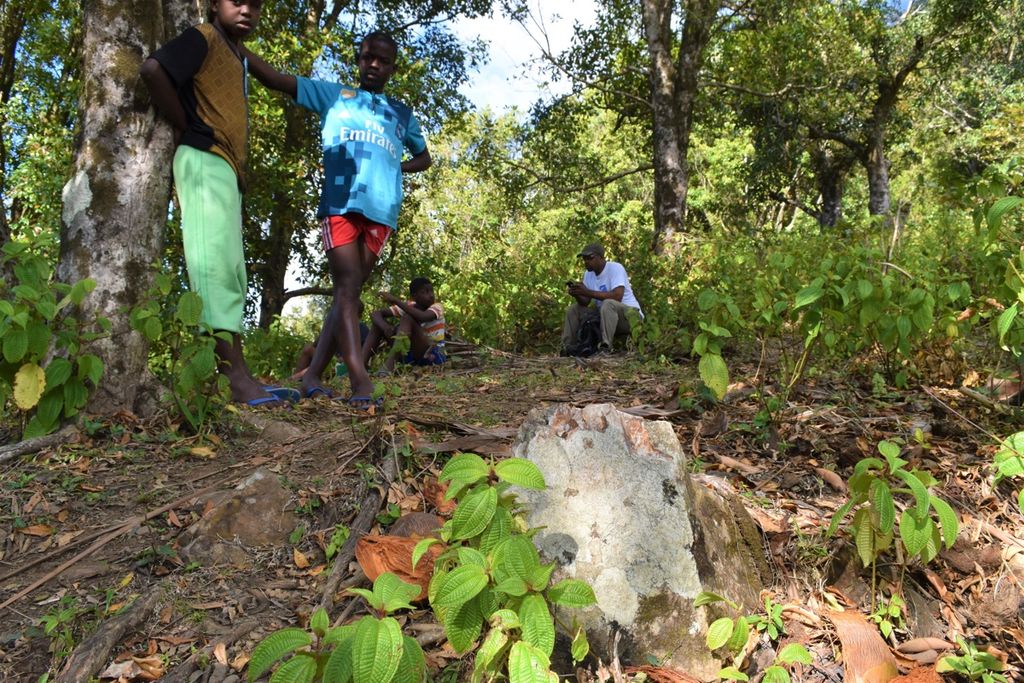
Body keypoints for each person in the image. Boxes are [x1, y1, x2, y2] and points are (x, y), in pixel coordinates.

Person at [243, 32, 431, 408]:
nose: (374, 65)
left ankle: (312, 375)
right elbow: (279, 79)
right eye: (367, 58)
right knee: (347, 287)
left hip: (383, 210)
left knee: (349, 293)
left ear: (393, 67)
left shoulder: (401, 114)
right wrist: (236, 45)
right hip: (341, 202)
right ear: (358, 60)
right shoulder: (335, 96)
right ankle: (359, 379)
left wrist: (396, 166)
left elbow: (424, 158)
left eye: (383, 60)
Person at [139, 0, 292, 408]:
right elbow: (153, 70)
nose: (248, 10)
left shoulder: (235, 52)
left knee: (231, 269)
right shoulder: (203, 37)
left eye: (256, 5)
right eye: (237, 1)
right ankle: (233, 380)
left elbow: (276, 78)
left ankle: (238, 374)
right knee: (214, 269)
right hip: (205, 160)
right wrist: (188, 126)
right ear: (213, 5)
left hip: (225, 169)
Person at [562, 243, 643, 355]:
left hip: (631, 318)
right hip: (606, 317)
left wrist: (587, 292)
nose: (586, 261)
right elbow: (586, 302)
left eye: (590, 258)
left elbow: (617, 296)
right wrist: (578, 294)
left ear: (601, 257)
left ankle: (605, 348)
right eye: (584, 259)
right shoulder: (588, 274)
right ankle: (568, 348)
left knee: (608, 303)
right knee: (574, 309)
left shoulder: (615, 268)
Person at [362, 277, 446, 373]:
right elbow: (375, 314)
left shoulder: (437, 307)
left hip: (433, 355)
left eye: (431, 291)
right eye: (425, 292)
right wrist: (385, 328)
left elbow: (423, 317)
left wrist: (396, 300)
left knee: (407, 318)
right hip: (411, 355)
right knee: (378, 325)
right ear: (414, 296)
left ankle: (389, 365)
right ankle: (360, 365)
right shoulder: (409, 306)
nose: (431, 295)